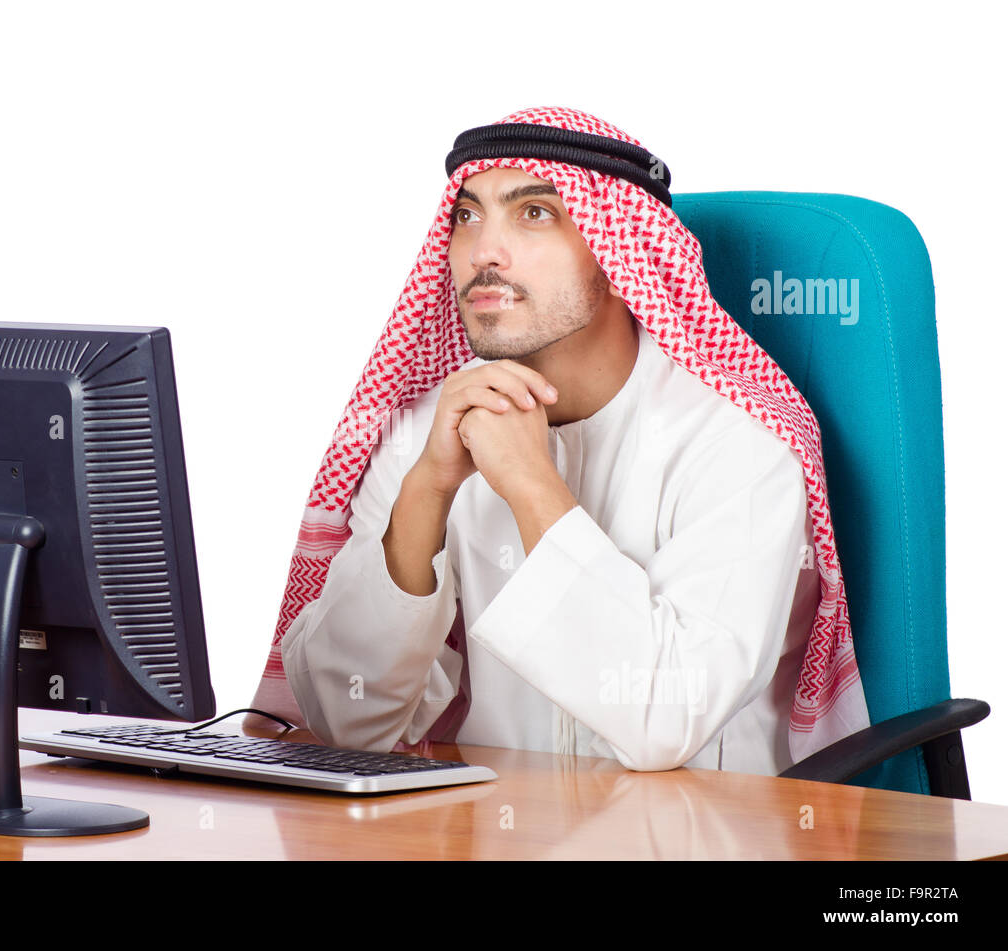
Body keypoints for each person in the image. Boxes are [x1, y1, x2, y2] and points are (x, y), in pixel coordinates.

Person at [248, 106, 869, 774]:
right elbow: (344, 724)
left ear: (615, 250)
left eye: (534, 213)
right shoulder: (428, 432)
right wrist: (425, 492)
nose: (484, 249)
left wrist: (531, 485)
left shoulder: (735, 438)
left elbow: (664, 723)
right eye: (467, 215)